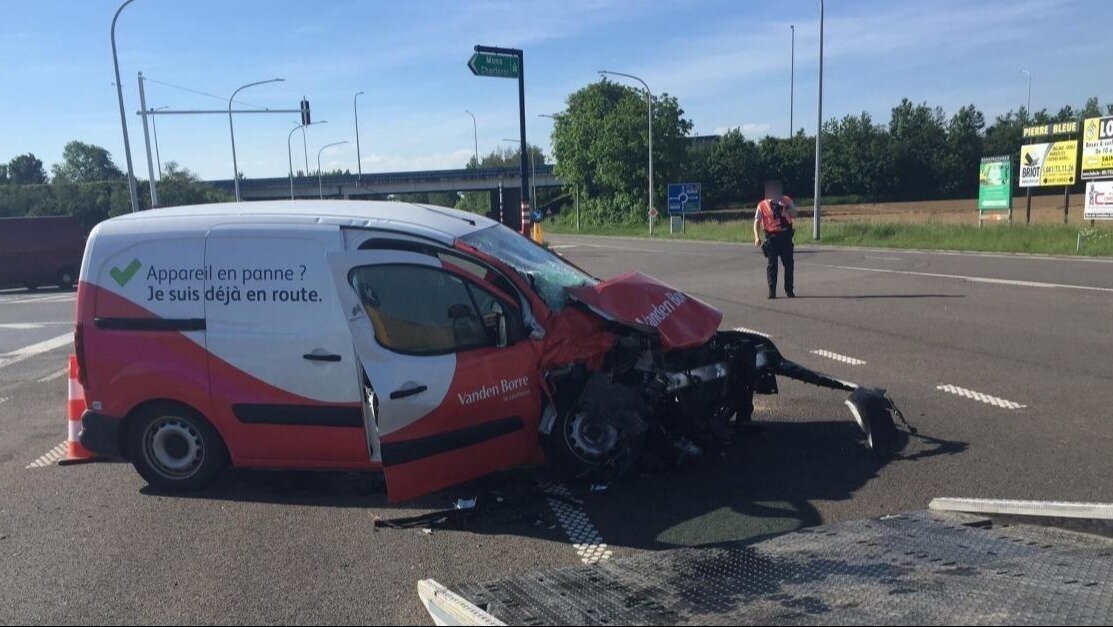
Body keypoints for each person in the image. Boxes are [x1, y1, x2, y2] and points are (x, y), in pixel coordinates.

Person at [753, 180, 797, 299]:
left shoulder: (786, 200)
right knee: (772, 266)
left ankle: (789, 290)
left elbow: (795, 214)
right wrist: (757, 237)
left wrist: (785, 209)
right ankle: (772, 292)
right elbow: (757, 221)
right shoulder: (762, 205)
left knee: (789, 265)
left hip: (785, 236)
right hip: (771, 237)